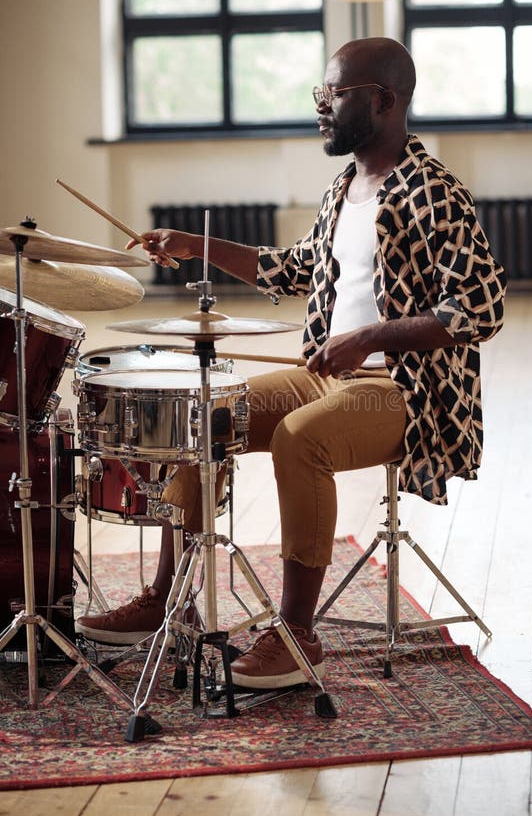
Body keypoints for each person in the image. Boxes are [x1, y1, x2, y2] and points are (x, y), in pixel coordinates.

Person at [76, 37, 506, 689]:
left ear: (382, 100)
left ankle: (297, 634)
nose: (321, 107)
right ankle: (168, 597)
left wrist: (370, 339)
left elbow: (482, 306)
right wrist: (194, 244)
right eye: (320, 94)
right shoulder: (345, 188)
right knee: (205, 415)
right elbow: (293, 267)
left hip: (404, 391)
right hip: (327, 375)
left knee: (301, 440)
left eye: (332, 94)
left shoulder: (433, 191)